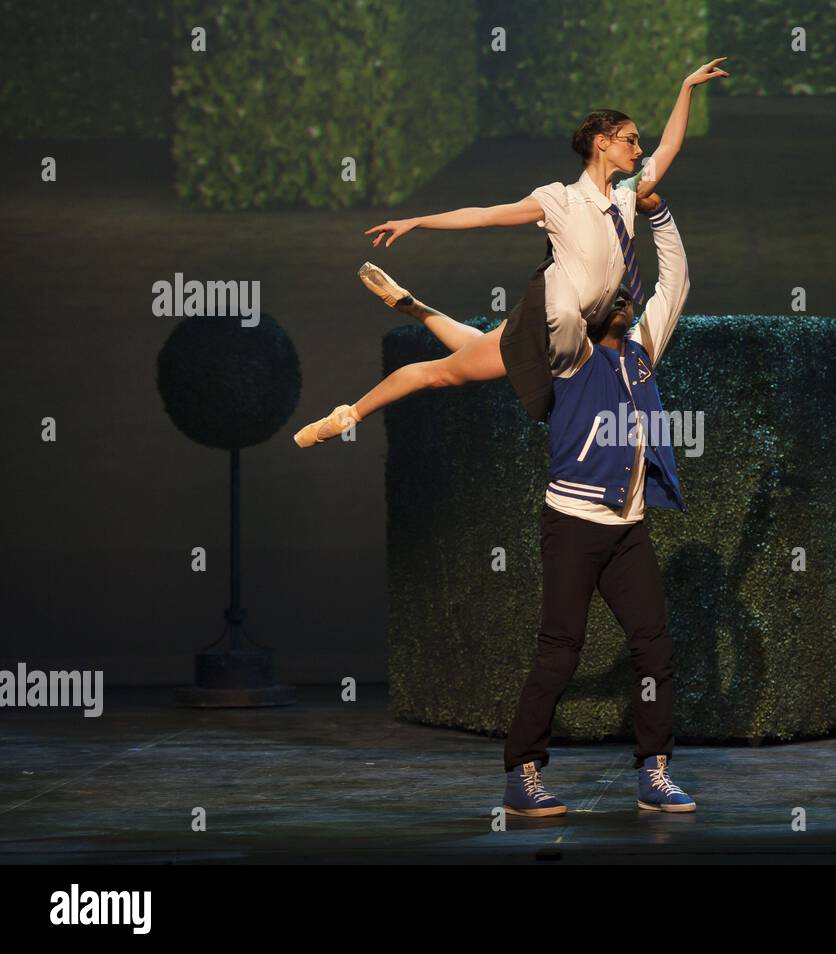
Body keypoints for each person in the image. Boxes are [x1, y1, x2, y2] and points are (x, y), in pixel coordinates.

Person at [292, 57, 727, 447]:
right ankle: (348, 413)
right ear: (601, 142)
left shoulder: (628, 195)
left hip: (584, 331)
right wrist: (418, 220)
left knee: (483, 347)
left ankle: (413, 306)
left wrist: (686, 87)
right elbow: (484, 215)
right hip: (546, 325)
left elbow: (669, 148)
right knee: (440, 372)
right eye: (629, 140)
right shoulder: (559, 199)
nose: (639, 149)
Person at [502, 189, 694, 816]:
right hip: (573, 524)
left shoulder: (641, 355)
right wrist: (568, 237)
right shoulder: (571, 356)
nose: (624, 298)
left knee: (654, 647)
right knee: (560, 649)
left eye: (625, 294)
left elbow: (676, 282)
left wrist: (659, 216)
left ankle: (654, 772)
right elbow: (559, 306)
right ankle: (523, 773)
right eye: (612, 294)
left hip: (627, 531)